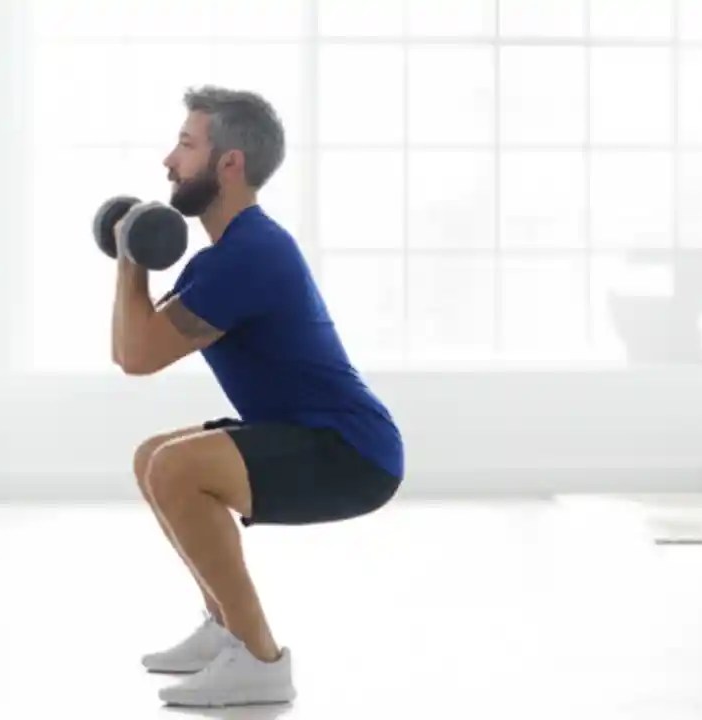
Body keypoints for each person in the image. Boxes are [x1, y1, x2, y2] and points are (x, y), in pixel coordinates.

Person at [112, 85, 404, 708]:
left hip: (352, 451)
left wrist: (130, 259)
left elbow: (136, 357)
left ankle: (260, 660)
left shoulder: (252, 255)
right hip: (309, 434)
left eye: (187, 146)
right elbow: (135, 348)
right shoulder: (220, 260)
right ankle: (224, 630)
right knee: (153, 456)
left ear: (229, 164)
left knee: (177, 467)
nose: (169, 160)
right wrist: (128, 254)